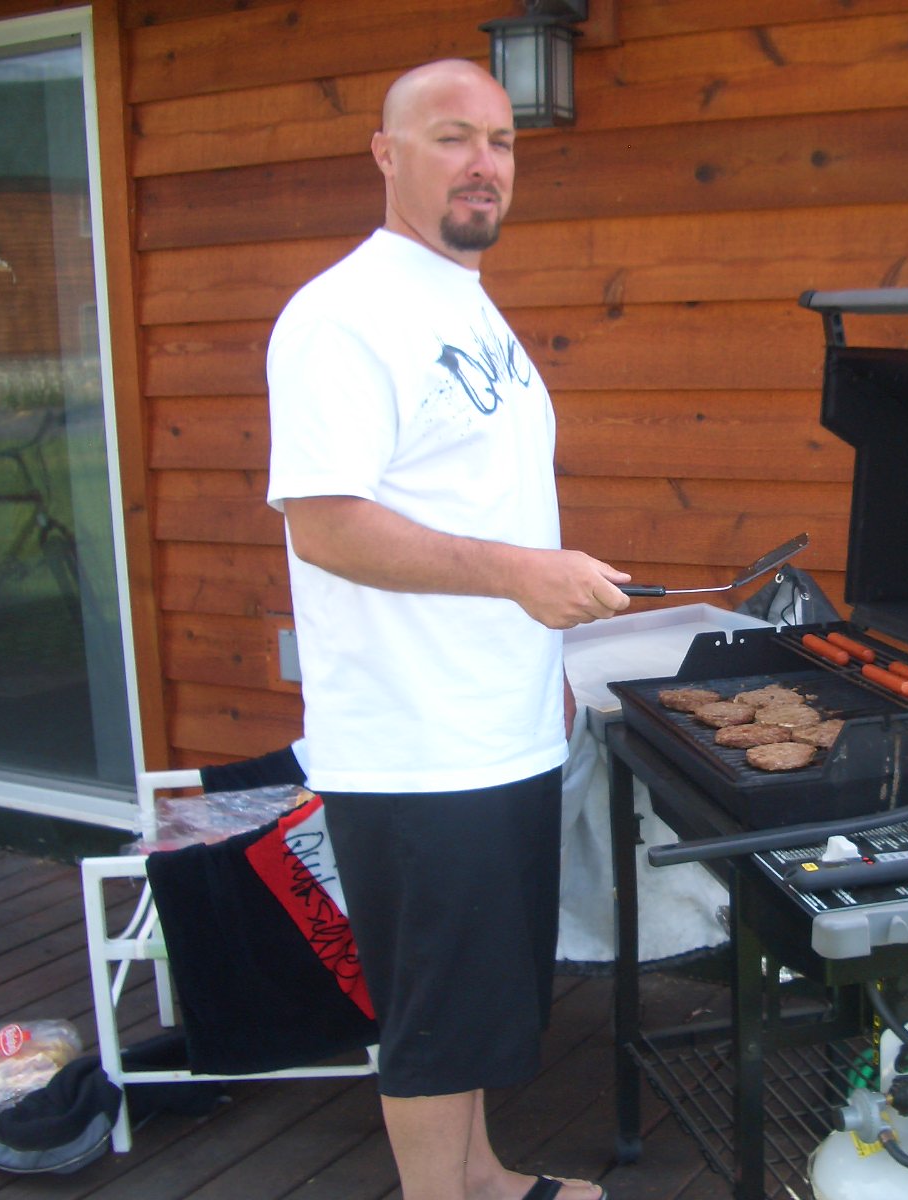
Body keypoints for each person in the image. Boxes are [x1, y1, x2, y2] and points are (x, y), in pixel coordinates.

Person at [264, 57, 629, 1200]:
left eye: (502, 143)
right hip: (415, 741)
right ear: (386, 155)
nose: (484, 163)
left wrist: (542, 647)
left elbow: (472, 497)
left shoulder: (459, 300)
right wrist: (523, 575)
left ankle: (480, 1176)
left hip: (498, 724)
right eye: (451, 137)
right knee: (432, 1008)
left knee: (474, 993)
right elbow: (325, 527)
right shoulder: (340, 317)